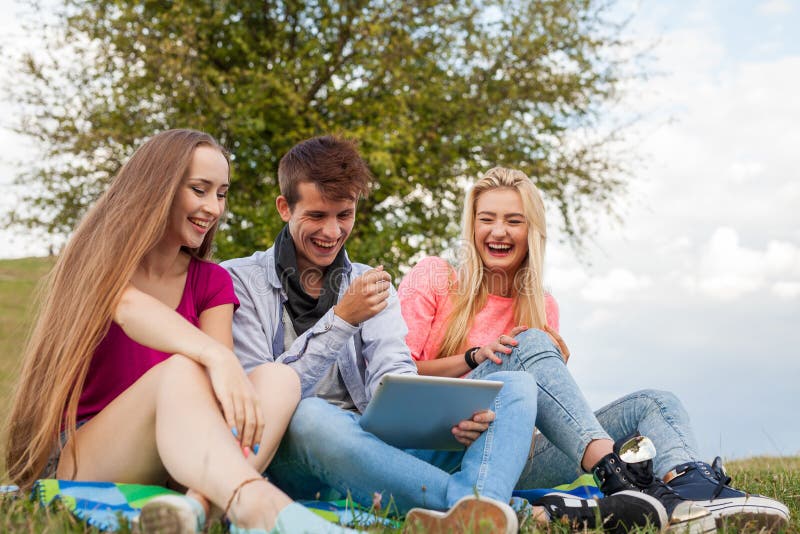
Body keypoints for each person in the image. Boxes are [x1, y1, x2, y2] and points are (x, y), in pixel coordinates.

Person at [222, 135, 667, 534]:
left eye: (345, 214)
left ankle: (475, 514)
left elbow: (391, 381)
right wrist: (341, 320)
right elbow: (258, 400)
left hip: (379, 451)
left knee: (515, 385)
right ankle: (493, 508)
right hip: (298, 451)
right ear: (285, 208)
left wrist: (444, 422)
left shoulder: (369, 282)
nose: (332, 231)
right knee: (311, 417)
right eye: (316, 215)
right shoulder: (239, 281)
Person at [3, 129, 360, 534]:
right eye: (199, 190)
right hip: (88, 457)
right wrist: (216, 355)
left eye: (221, 194)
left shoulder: (211, 282)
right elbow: (131, 310)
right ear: (160, 188)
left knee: (280, 377)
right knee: (183, 368)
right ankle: (257, 504)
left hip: (181, 458)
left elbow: (221, 398)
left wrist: (222, 366)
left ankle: (194, 509)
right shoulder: (95, 259)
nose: (213, 208)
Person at [397, 166, 790, 531]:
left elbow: (533, 418)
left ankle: (694, 490)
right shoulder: (434, 276)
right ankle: (615, 475)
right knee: (530, 342)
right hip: (441, 442)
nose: (499, 231)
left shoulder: (542, 305)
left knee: (655, 402)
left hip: (512, 453)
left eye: (513, 221)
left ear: (531, 230)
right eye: (487, 219)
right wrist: (476, 355)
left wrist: (546, 374)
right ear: (472, 225)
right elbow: (397, 377)